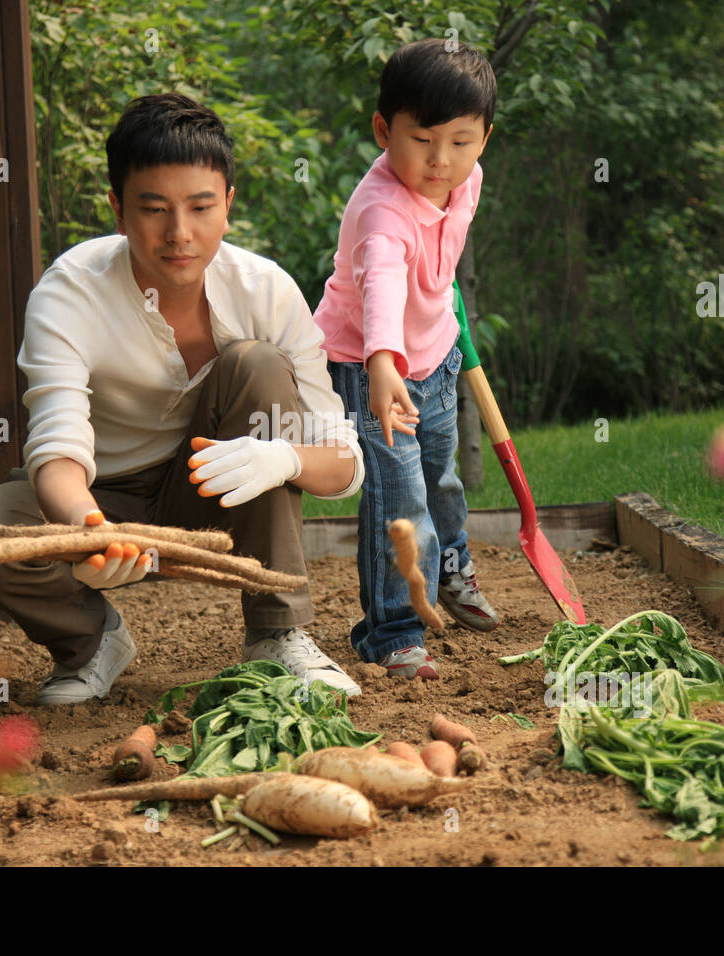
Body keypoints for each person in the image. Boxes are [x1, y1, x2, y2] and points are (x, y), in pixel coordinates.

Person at [0, 93, 365, 705]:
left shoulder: (266, 290)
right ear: (117, 209)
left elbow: (344, 462)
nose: (179, 234)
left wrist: (286, 460)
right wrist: (91, 530)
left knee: (257, 363)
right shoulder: (70, 292)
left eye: (200, 207)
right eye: (154, 209)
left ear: (228, 207)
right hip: (101, 491)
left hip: (211, 482)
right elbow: (57, 446)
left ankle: (278, 633)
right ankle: (91, 641)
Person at [314, 38, 500, 680]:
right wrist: (383, 364)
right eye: (421, 140)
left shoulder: (467, 179)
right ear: (382, 130)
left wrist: (444, 330)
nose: (440, 160)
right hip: (368, 366)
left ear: (483, 138)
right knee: (399, 499)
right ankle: (390, 631)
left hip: (437, 358)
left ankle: (450, 572)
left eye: (460, 140)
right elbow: (386, 288)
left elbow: (437, 267)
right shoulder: (380, 213)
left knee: (443, 482)